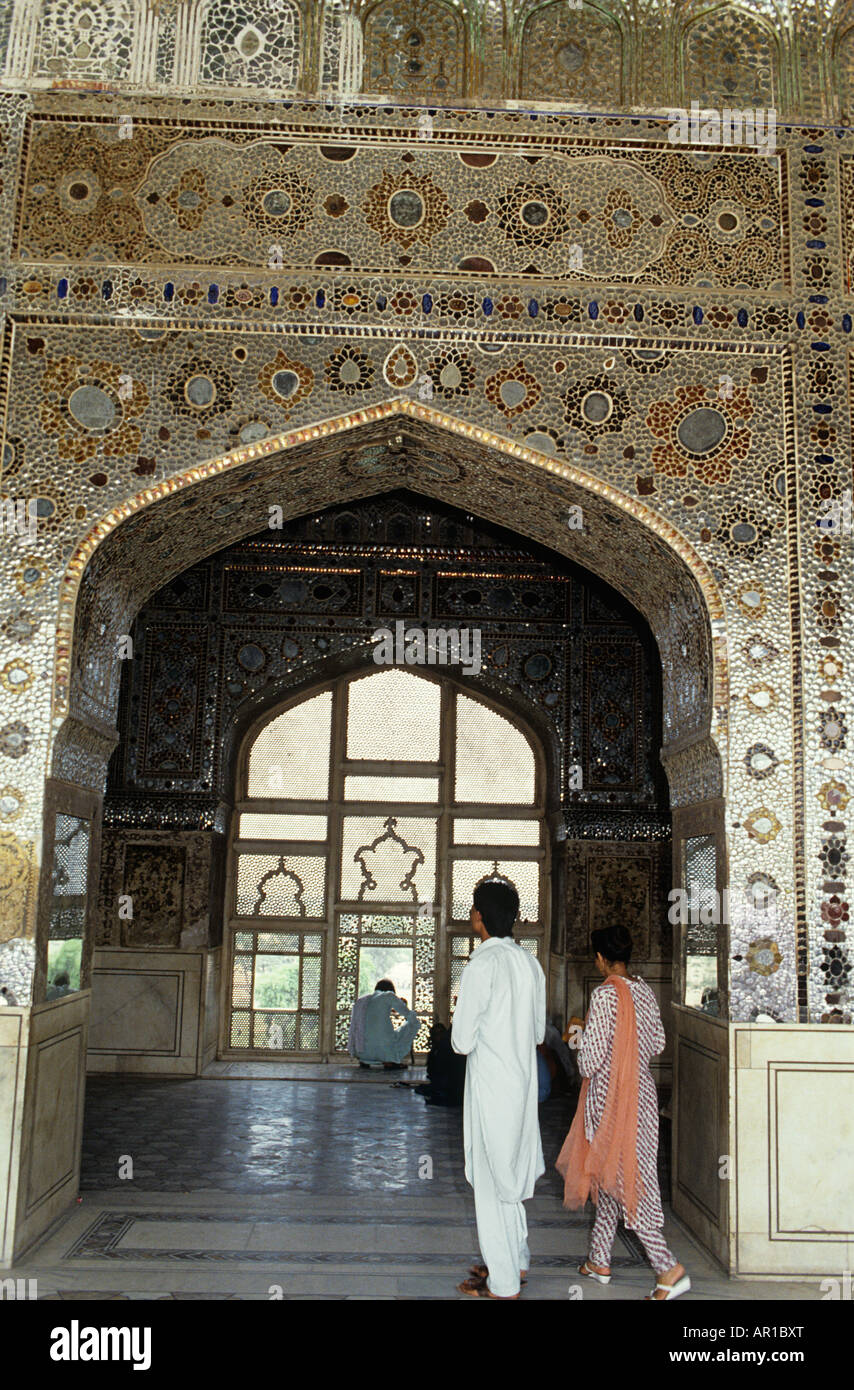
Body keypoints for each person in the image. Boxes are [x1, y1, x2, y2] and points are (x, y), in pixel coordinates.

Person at [556, 924, 690, 1302]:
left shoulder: (604, 996)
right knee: (616, 1171)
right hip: (643, 1095)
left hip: (612, 1100)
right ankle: (599, 1259)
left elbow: (590, 1062)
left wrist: (579, 1041)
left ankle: (668, 1268)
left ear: (600, 958)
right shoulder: (644, 990)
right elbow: (658, 1042)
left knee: (627, 1180)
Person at [451, 879, 546, 1300]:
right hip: (522, 1086)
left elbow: (460, 1041)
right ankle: (517, 1261)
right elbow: (540, 1031)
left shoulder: (482, 965)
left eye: (474, 909)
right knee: (511, 1176)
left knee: (492, 1185)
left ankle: (503, 1283)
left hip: (491, 1088)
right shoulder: (530, 964)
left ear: (480, 917)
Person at [348, 978, 419, 1069]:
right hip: (383, 1051)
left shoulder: (363, 1000)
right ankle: (390, 1061)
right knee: (414, 1023)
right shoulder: (389, 996)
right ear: (391, 989)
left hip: (361, 1051)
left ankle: (365, 1061)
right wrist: (412, 1015)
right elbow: (407, 1013)